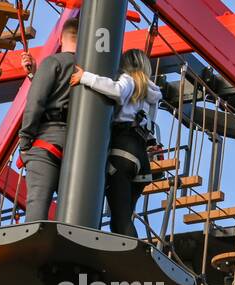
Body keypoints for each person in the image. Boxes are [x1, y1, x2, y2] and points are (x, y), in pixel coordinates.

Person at [71, 50, 162, 237]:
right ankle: (133, 255)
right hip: (141, 160)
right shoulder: (151, 92)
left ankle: (131, 259)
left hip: (122, 152)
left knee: (119, 221)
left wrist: (85, 77)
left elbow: (116, 91)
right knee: (125, 216)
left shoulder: (129, 79)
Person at [17, 18, 79, 222]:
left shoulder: (53, 63)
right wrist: (35, 75)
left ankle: (32, 251)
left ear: (61, 38)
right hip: (76, 145)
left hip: (47, 143)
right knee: (72, 211)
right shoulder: (89, 70)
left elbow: (36, 102)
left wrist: (25, 142)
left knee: (37, 203)